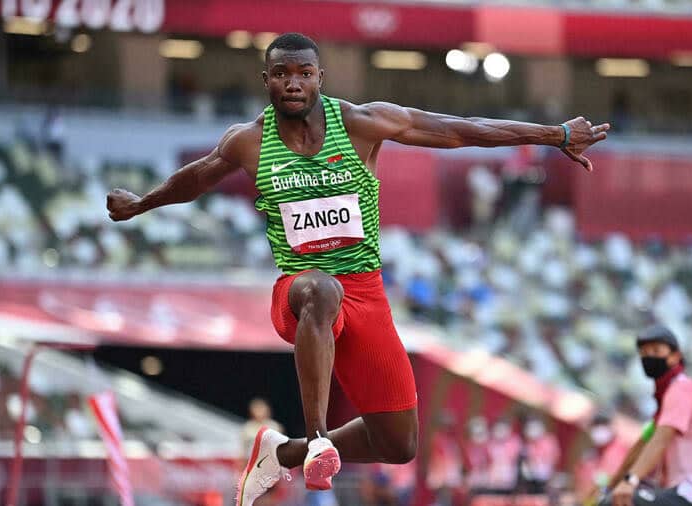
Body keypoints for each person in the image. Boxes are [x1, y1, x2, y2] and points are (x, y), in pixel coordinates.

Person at [105, 32, 609, 505]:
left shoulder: (363, 122)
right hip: (299, 292)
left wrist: (554, 134)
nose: (294, 83)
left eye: (304, 73)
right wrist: (141, 203)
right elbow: (196, 179)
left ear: (320, 77)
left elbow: (461, 130)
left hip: (365, 294)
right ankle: (320, 438)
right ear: (267, 82)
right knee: (321, 290)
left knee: (399, 442)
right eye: (282, 74)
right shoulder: (249, 141)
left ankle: (282, 452)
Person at [605, 325, 692, 506]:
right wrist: (611, 485)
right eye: (644, 352)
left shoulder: (681, 389)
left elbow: (661, 438)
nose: (649, 357)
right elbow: (642, 445)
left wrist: (630, 481)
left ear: (675, 356)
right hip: (680, 492)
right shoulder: (664, 401)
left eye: (656, 350)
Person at [576, 413, 631, 503]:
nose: (598, 430)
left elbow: (611, 477)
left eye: (601, 425)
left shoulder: (618, 450)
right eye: (595, 426)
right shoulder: (594, 451)